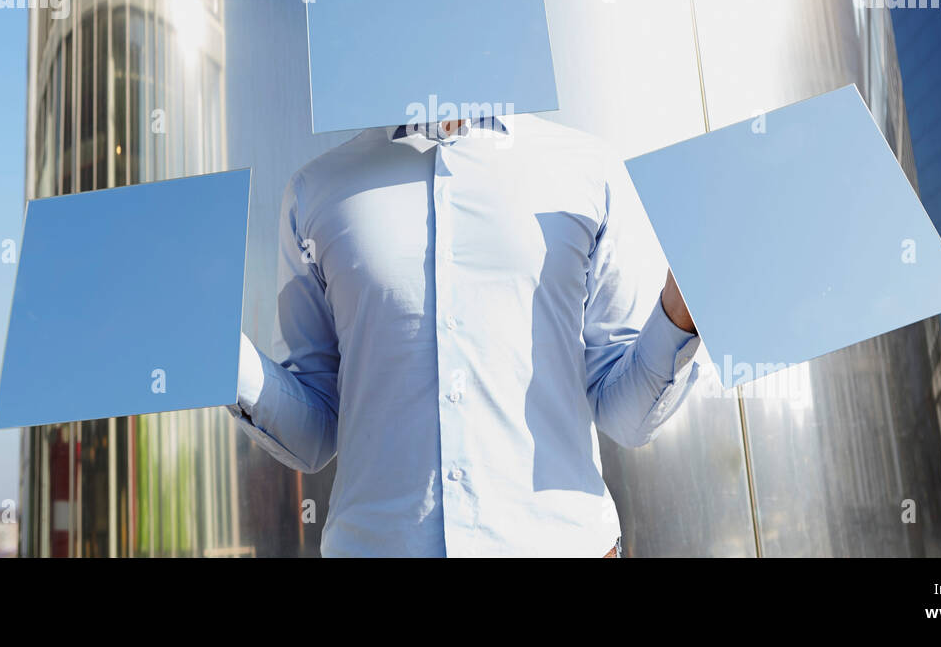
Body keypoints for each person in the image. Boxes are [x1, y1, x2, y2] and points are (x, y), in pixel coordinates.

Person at [229, 112, 701, 556]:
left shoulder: (588, 170)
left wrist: (679, 317)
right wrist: (219, 355)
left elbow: (626, 417)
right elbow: (313, 436)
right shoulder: (317, 190)